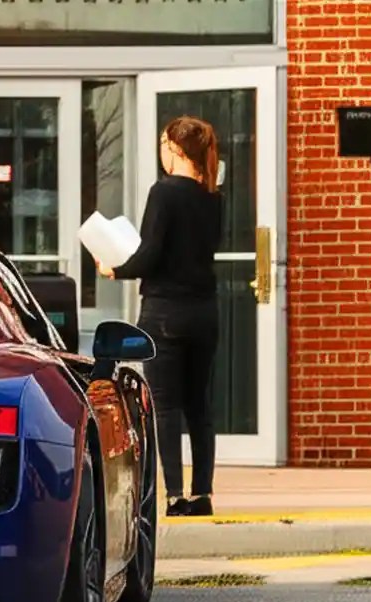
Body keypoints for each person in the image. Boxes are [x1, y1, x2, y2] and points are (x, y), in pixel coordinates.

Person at [96, 115, 223, 517]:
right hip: (205, 311)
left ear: (173, 147)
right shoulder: (213, 196)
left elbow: (150, 254)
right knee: (199, 405)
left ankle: (173, 496)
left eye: (162, 146)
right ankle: (202, 494)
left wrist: (115, 268)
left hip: (166, 310)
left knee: (165, 407)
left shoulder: (164, 192)